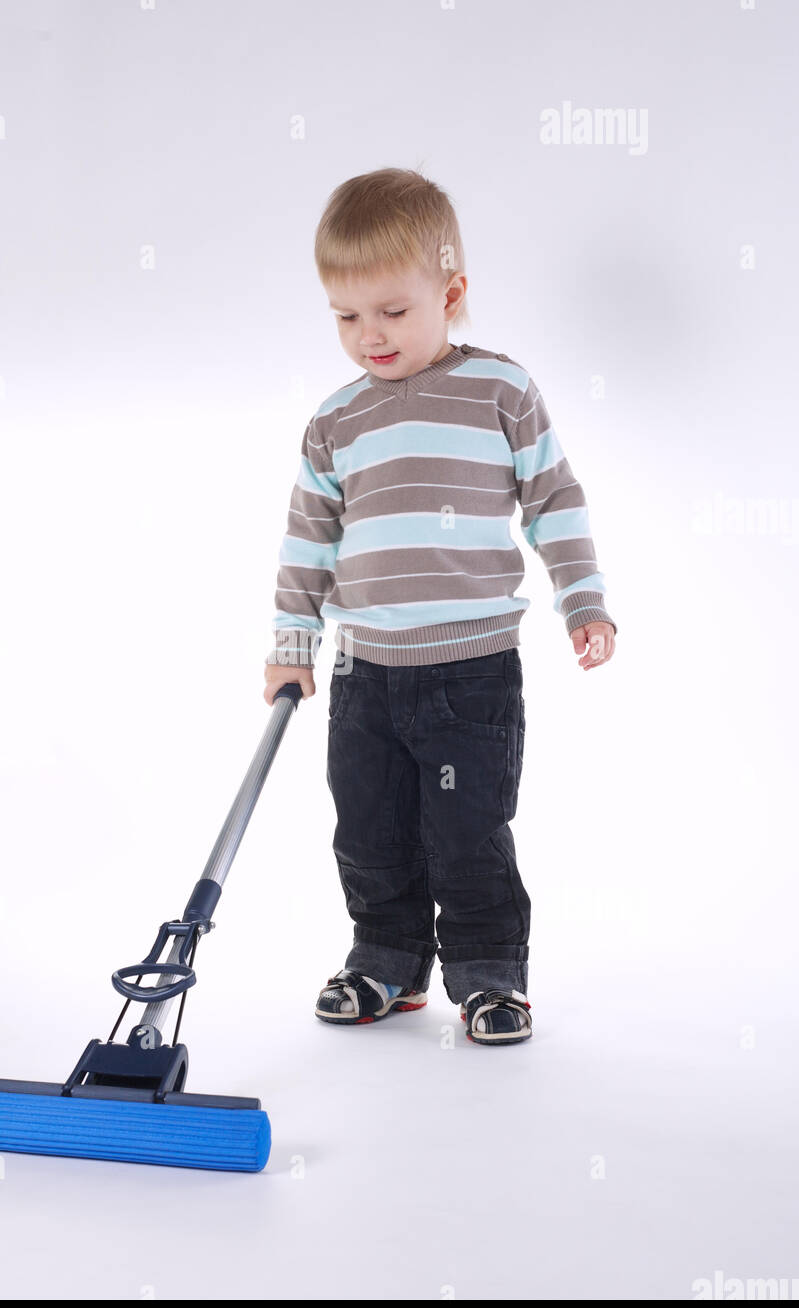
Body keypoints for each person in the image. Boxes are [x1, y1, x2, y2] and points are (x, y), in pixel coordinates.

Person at [263, 167, 617, 1044]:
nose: (368, 336)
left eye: (391, 311)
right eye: (346, 317)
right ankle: (384, 959)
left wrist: (583, 601)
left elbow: (553, 499)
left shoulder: (498, 390)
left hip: (470, 669)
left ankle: (490, 973)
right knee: (369, 826)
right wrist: (291, 642)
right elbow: (307, 538)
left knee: (468, 828)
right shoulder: (335, 422)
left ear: (449, 294)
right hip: (363, 673)